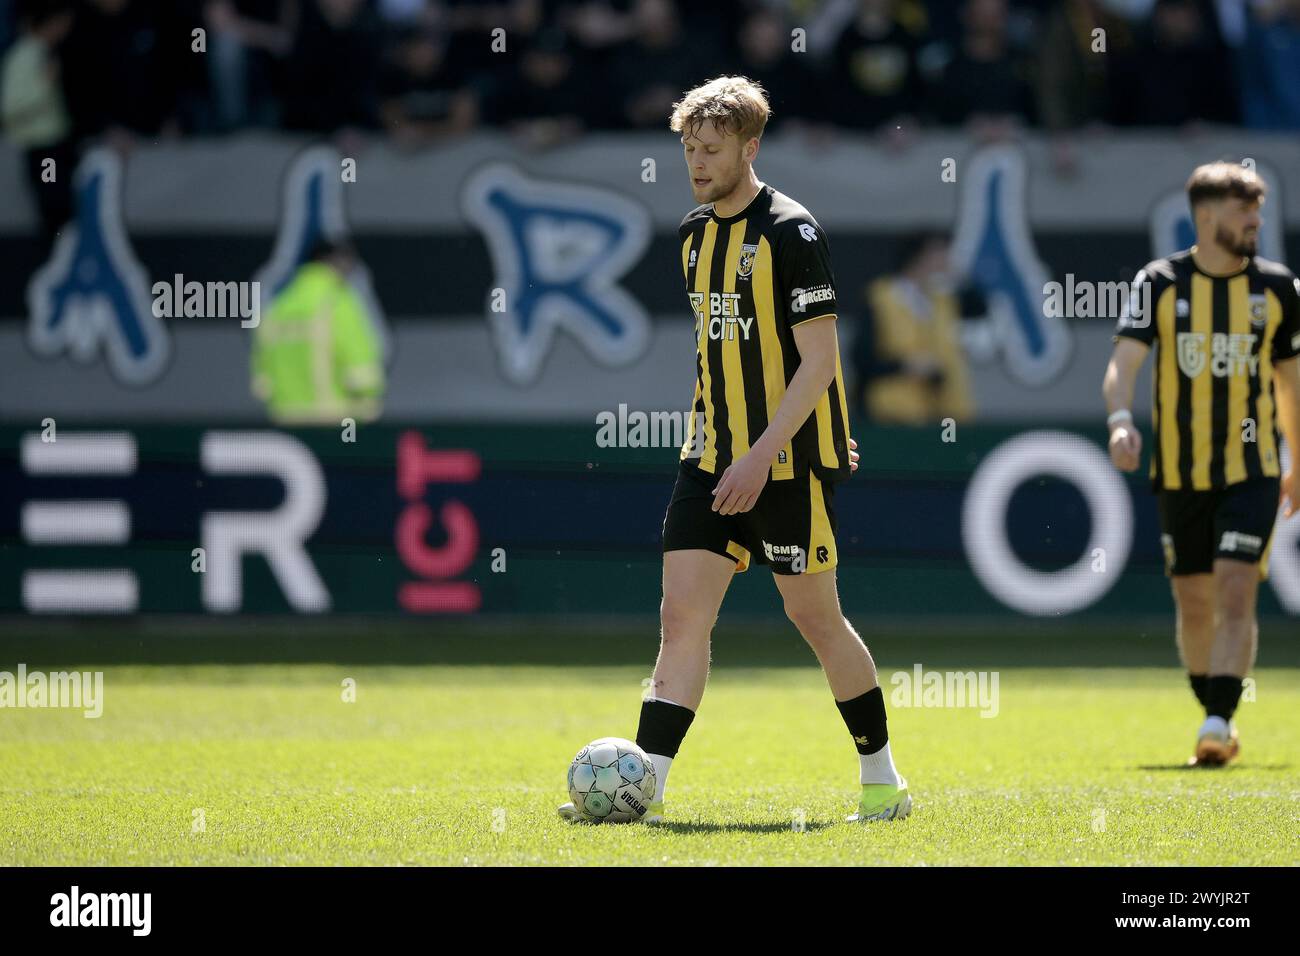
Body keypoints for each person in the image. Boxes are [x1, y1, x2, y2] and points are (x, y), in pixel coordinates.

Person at [559, 75, 912, 824]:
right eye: (689, 149)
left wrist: (774, 450)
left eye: (712, 150)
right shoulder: (693, 235)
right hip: (709, 457)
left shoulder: (793, 232)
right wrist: (731, 451)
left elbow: (819, 360)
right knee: (681, 619)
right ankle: (643, 789)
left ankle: (883, 782)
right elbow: (728, 354)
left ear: (750, 147)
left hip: (778, 469)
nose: (697, 163)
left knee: (816, 620)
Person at [1103, 161, 1300, 766]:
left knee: (1236, 588)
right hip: (1180, 472)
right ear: (1208, 216)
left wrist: (1299, 462)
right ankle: (1212, 706)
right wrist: (1119, 419)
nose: (1256, 223)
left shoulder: (1278, 289)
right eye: (1246, 214)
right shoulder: (1159, 283)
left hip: (1254, 468)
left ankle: (1217, 721)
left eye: (1258, 213)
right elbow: (1124, 365)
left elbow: (1291, 384)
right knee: (1193, 600)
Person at [251, 240, 385, 424]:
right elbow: (361, 366)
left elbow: (262, 377)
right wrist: (368, 403)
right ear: (335, 262)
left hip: (284, 420)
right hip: (333, 422)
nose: (349, 272)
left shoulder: (278, 308)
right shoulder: (337, 301)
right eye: (347, 264)